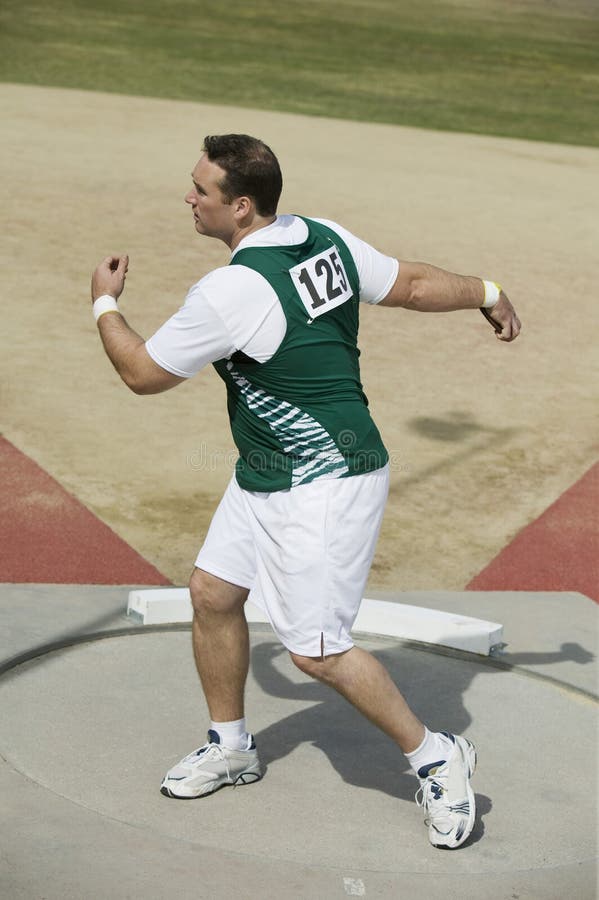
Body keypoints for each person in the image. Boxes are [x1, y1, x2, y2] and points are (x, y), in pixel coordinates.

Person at [90, 133, 521, 850]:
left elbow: (142, 373)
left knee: (316, 652)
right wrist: (488, 291)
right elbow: (411, 286)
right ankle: (231, 746)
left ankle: (437, 755)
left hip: (324, 481)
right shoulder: (320, 236)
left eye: (201, 189)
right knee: (213, 594)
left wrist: (104, 304)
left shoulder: (230, 291)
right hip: (271, 470)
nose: (188, 197)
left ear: (243, 206)